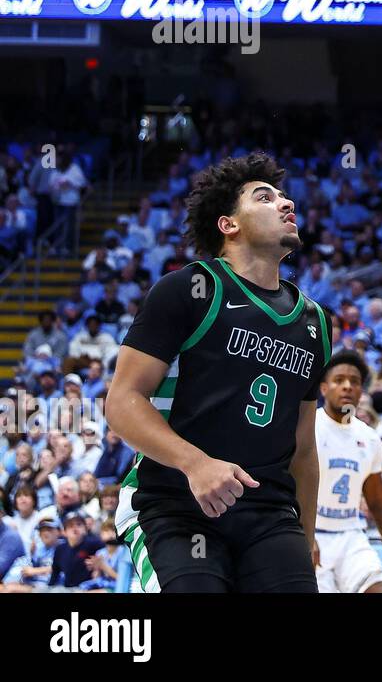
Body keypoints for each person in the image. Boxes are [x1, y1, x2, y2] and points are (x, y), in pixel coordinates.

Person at [105, 153, 331, 593]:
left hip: (268, 514)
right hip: (173, 503)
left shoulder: (314, 321)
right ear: (229, 225)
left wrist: (305, 541)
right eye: (265, 198)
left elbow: (303, 449)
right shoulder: (189, 290)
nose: (286, 204)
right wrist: (196, 464)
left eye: (285, 197)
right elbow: (121, 401)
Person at [314, 350, 382, 593]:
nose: (347, 387)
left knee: (381, 588)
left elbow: (378, 505)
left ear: (362, 391)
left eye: (355, 382)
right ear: (323, 388)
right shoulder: (310, 426)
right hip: (312, 531)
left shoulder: (370, 438)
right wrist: (304, 535)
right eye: (339, 380)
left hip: (350, 533)